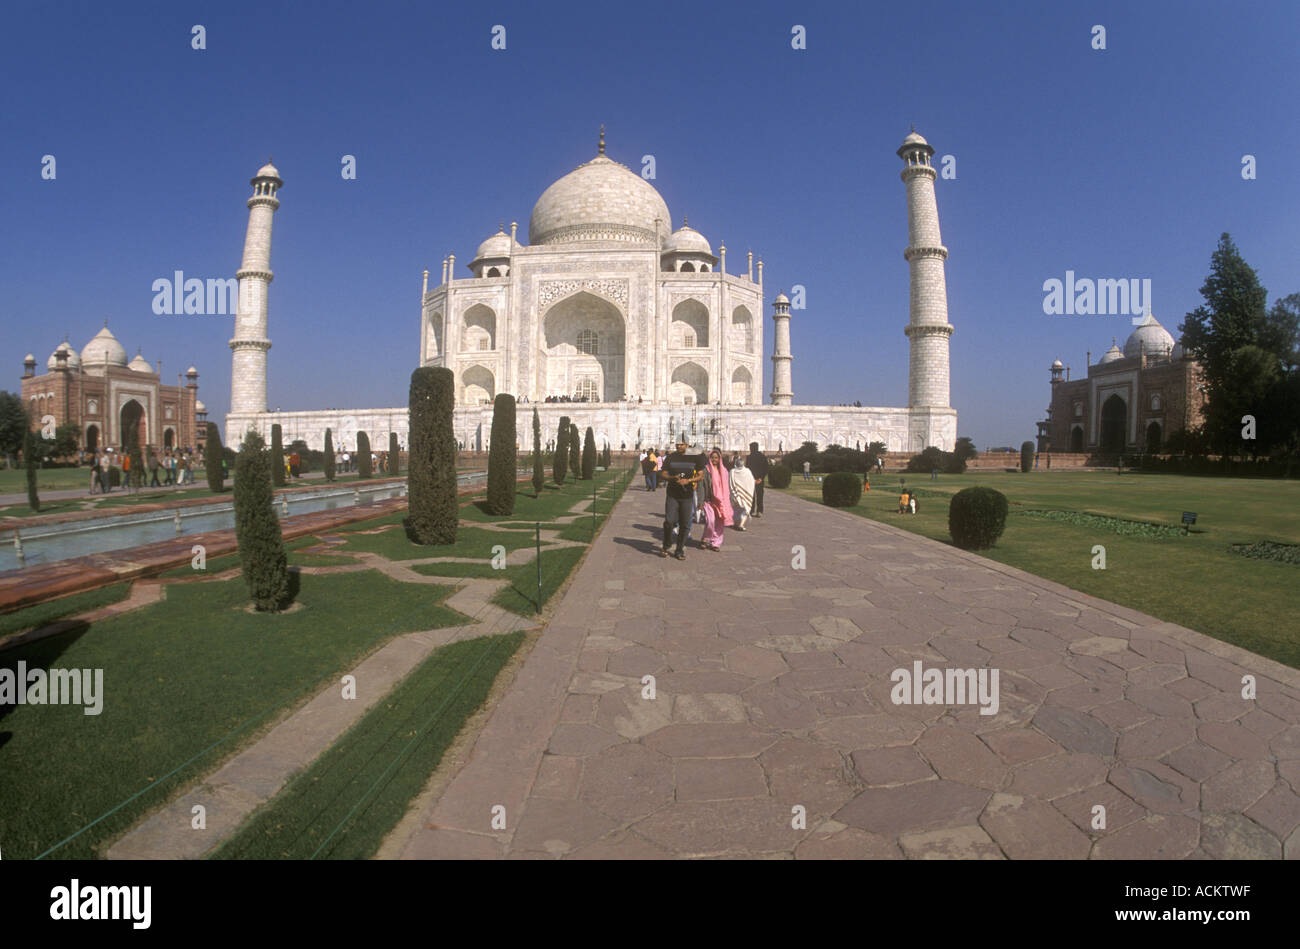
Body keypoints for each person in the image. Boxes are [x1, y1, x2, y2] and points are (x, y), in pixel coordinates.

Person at [660, 438, 702, 561]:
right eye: (677, 444)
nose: (679, 446)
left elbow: (700, 475)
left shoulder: (694, 458)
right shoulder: (671, 457)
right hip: (673, 494)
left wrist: (688, 480)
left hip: (687, 495)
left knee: (684, 524)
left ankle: (679, 549)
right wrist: (672, 477)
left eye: (681, 444)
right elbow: (663, 473)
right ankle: (667, 544)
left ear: (687, 445)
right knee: (669, 521)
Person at [698, 448, 734, 550]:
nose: (714, 460)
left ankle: (715, 543)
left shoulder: (724, 471)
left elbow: (727, 487)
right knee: (711, 521)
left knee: (719, 522)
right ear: (709, 458)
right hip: (709, 500)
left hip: (721, 501)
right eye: (712, 458)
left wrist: (728, 501)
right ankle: (706, 537)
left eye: (716, 458)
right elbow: (701, 487)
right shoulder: (706, 470)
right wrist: (700, 502)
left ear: (719, 459)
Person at [730, 454, 754, 530]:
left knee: (736, 509)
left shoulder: (732, 471)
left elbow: (730, 483)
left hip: (736, 494)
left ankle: (736, 523)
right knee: (745, 509)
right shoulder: (747, 471)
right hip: (746, 494)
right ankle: (741, 524)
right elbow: (751, 481)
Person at [746, 442, 768, 517]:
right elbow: (765, 469)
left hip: (754, 479)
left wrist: (758, 478)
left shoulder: (751, 457)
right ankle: (758, 511)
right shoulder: (761, 457)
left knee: (755, 495)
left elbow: (765, 468)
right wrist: (761, 478)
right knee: (757, 495)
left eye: (751, 448)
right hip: (756, 479)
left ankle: (754, 511)